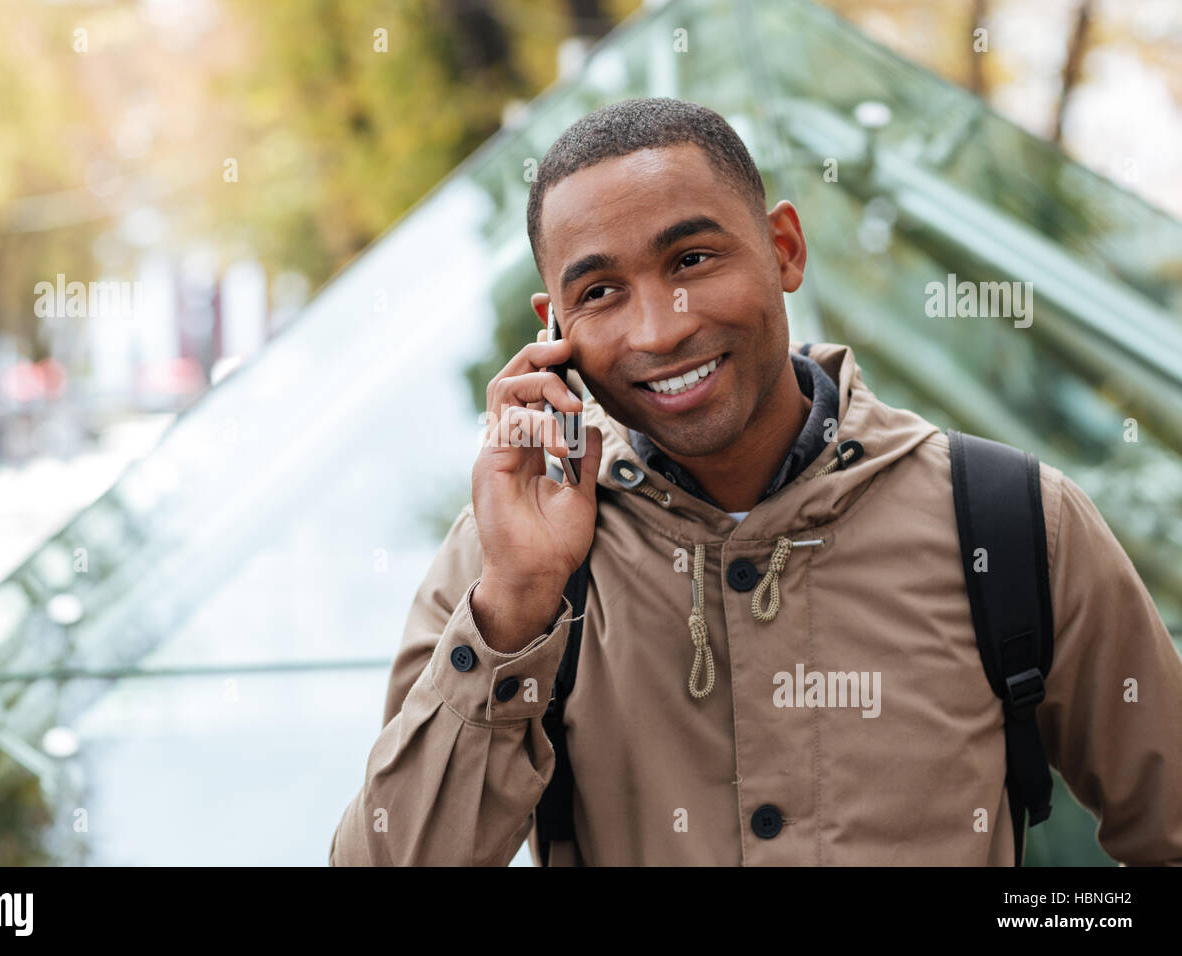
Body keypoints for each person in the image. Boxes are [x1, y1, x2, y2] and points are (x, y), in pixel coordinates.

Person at [329, 97, 1182, 866]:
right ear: (555, 329)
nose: (660, 330)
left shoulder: (1013, 523)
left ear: (784, 249)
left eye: (693, 259)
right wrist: (515, 607)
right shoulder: (507, 561)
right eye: (601, 291)